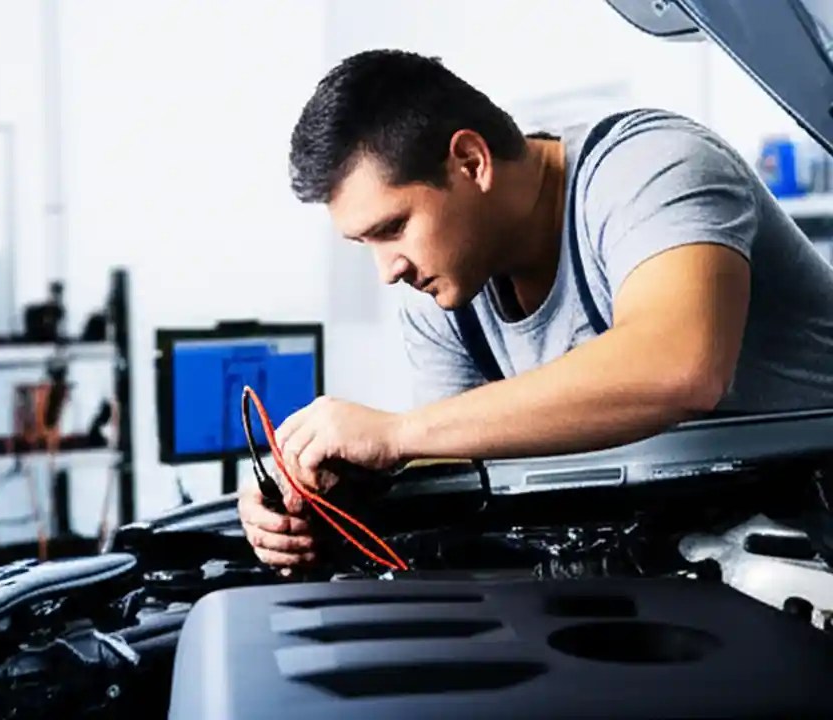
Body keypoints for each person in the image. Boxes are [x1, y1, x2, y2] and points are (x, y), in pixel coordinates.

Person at [238, 49, 833, 569]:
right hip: (697, 543)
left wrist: (397, 434)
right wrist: (318, 495)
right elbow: (461, 458)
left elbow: (679, 367)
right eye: (365, 243)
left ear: (472, 162)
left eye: (393, 228)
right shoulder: (447, 291)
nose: (388, 268)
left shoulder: (651, 167)